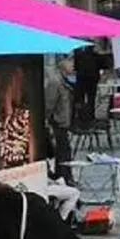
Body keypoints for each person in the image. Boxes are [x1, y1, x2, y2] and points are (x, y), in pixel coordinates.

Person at [45, 56, 75, 184]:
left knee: (65, 151)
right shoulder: (55, 82)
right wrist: (46, 120)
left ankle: (65, 176)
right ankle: (63, 177)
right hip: (57, 123)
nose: (73, 65)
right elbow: (49, 104)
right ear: (61, 63)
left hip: (64, 122)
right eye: (70, 61)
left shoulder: (65, 81)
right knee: (62, 152)